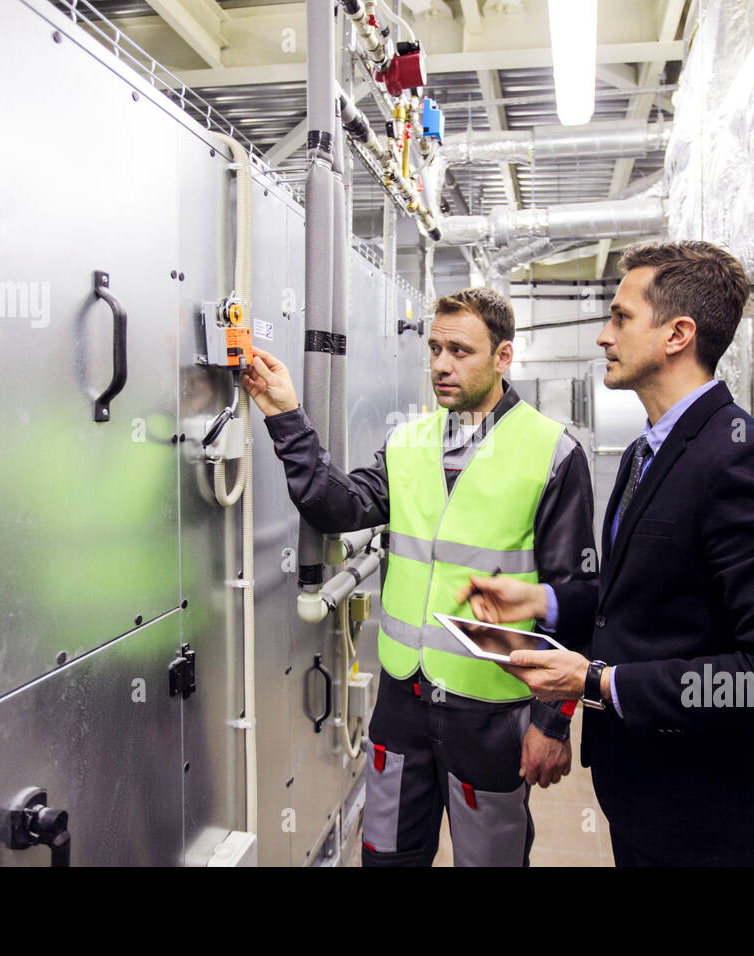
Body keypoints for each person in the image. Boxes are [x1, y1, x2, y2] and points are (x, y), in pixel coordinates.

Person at [458, 241, 754, 866]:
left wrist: (599, 683)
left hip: (706, 821)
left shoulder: (746, 461)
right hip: (641, 799)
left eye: (621, 317)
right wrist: (544, 598)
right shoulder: (646, 453)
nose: (603, 336)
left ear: (677, 334)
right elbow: (646, 598)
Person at [242, 287, 596, 867]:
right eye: (434, 348)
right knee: (386, 856)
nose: (440, 364)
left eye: (460, 350)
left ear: (503, 357)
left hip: (491, 709)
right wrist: (286, 416)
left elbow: (577, 597)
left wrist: (552, 724)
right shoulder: (407, 441)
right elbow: (339, 507)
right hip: (402, 702)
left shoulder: (552, 452)